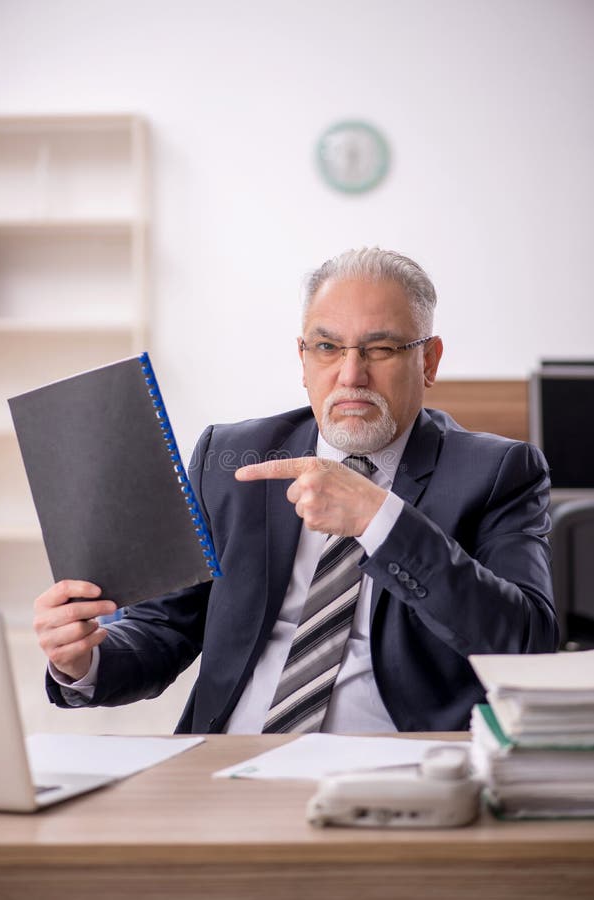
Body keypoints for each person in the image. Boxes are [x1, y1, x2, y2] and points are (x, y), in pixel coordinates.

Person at [35, 247, 558, 734]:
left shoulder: (499, 472)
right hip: (230, 761)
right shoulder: (229, 456)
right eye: (328, 347)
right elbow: (165, 627)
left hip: (401, 769)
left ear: (429, 361)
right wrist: (84, 661)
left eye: (380, 348)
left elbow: (526, 644)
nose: (351, 375)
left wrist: (381, 521)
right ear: (303, 358)